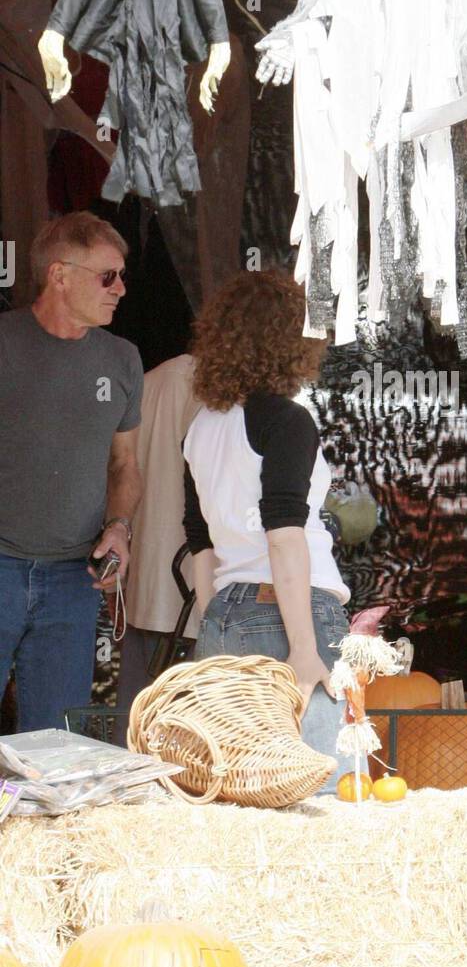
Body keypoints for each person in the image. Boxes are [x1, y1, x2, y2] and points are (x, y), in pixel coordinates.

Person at [182, 269, 352, 791]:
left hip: (225, 609)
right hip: (292, 612)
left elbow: (200, 541)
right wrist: (304, 648)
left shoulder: (202, 426)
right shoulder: (287, 420)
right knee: (319, 787)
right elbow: (284, 534)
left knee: (237, 788)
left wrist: (215, 617)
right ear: (292, 344)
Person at [0, 211, 143, 731]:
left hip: (72, 578)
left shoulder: (123, 360)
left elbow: (125, 464)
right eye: (108, 276)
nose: (121, 289)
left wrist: (120, 528)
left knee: (53, 745)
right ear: (59, 275)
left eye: (122, 275)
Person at [117, 354, 201, 721]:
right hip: (200, 585)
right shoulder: (221, 388)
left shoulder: (145, 384)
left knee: (137, 717)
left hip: (145, 583)